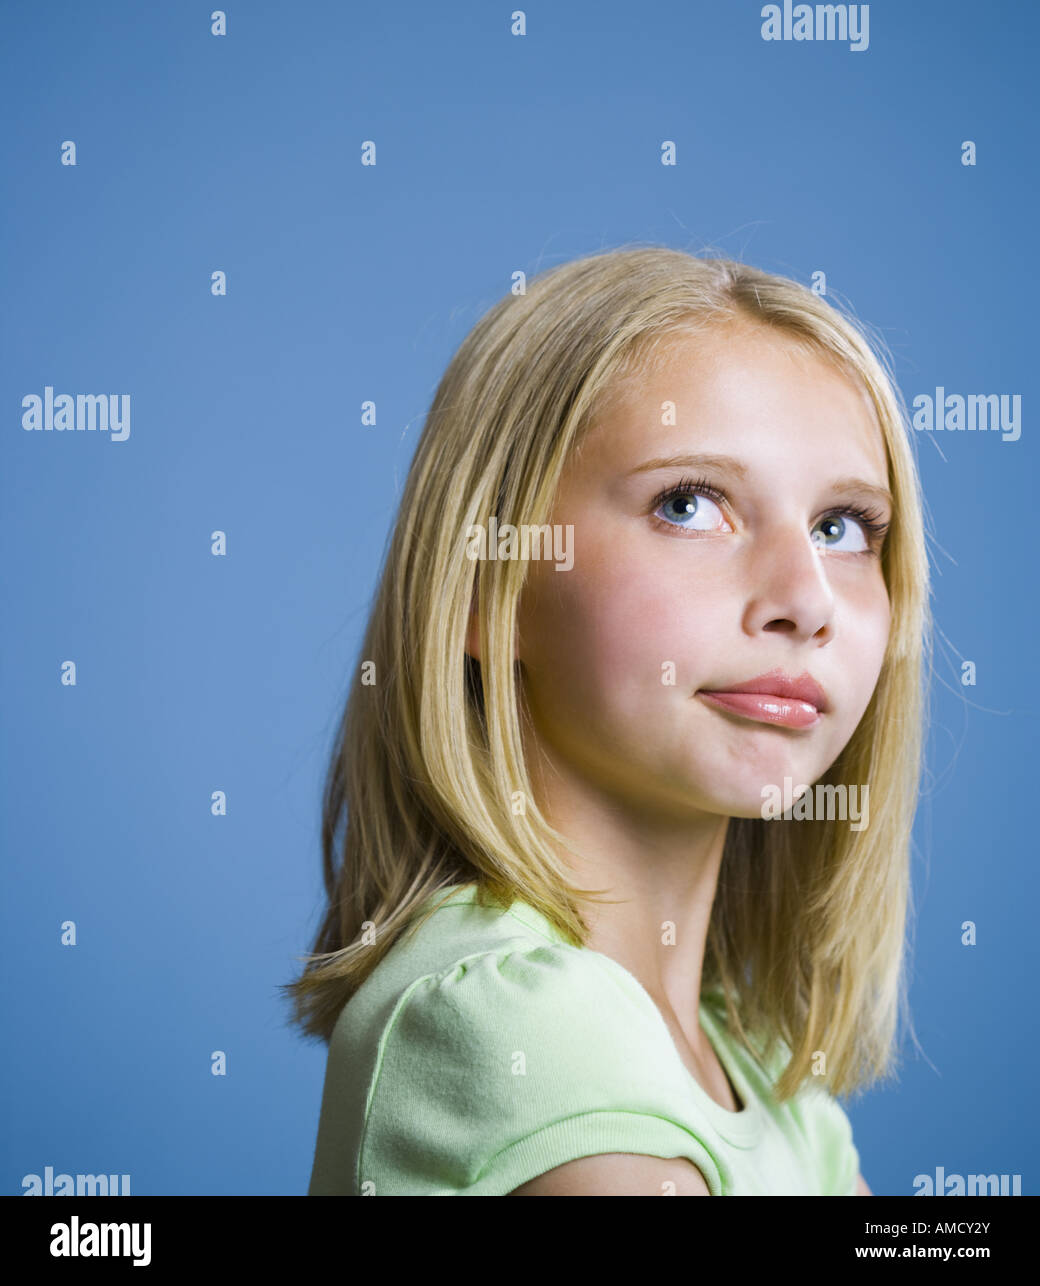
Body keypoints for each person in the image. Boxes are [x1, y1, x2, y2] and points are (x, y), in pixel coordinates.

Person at [284, 245, 930, 1196]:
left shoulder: (768, 1086)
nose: (806, 598)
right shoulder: (510, 1019)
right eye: (689, 504)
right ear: (487, 586)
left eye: (842, 527)